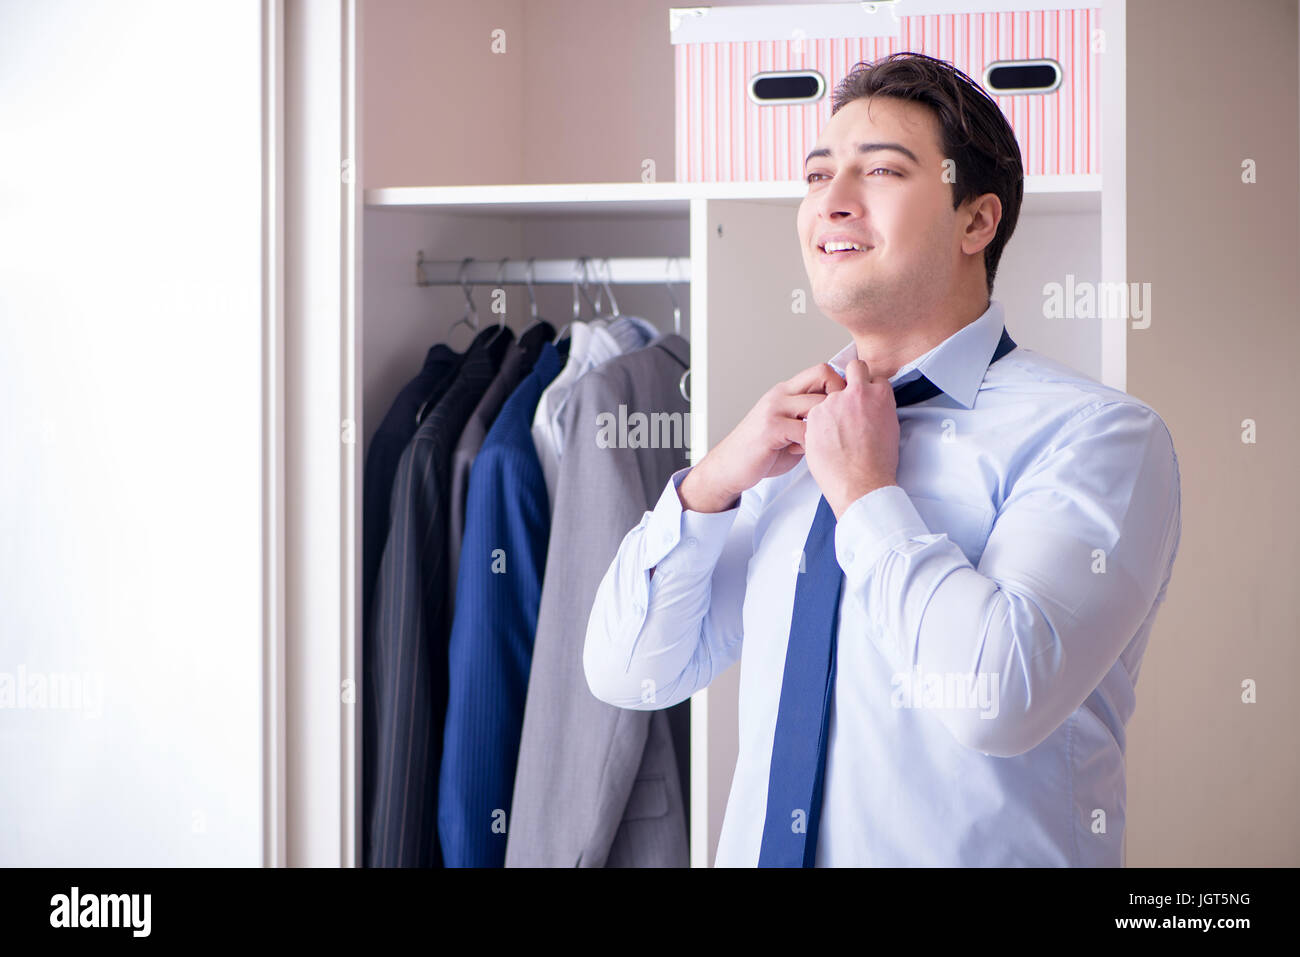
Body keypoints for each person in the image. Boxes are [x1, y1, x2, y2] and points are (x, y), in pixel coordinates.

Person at [583, 52, 1181, 866]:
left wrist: (866, 496)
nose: (832, 201)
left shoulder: (1100, 437)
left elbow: (997, 697)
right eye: (817, 175)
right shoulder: (785, 446)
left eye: (883, 171)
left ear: (977, 222)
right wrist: (713, 482)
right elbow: (629, 673)